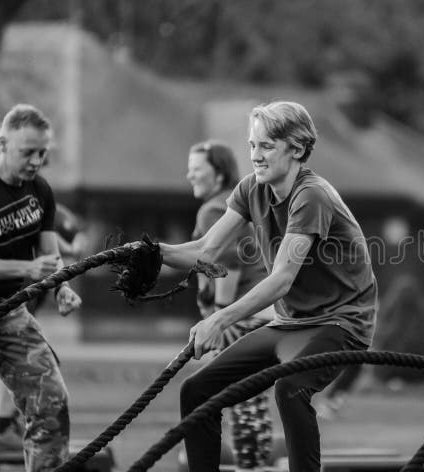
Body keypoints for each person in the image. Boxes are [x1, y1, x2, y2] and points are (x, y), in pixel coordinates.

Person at [160, 101, 378, 472]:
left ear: (296, 149)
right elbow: (205, 250)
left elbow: (281, 278)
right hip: (290, 323)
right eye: (251, 145)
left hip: (341, 323)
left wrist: (219, 319)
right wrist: (150, 252)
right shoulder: (251, 190)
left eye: (265, 146)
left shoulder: (312, 196)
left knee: (291, 389)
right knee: (196, 391)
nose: (255, 156)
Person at [0, 104, 81, 471]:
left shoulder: (41, 191)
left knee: (51, 404)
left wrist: (61, 288)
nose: (36, 160)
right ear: (2, 143)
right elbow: (32, 263)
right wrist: (28, 267)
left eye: (42, 152)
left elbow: (49, 253)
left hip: (10, 311)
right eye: (27, 151)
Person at [185, 139, 275, 468]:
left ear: (219, 175)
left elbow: (228, 263)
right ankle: (256, 466)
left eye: (197, 169)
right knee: (251, 401)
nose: (189, 175)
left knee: (238, 400)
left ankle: (250, 466)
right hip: (265, 314)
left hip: (241, 315)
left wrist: (217, 316)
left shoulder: (213, 209)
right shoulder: (233, 205)